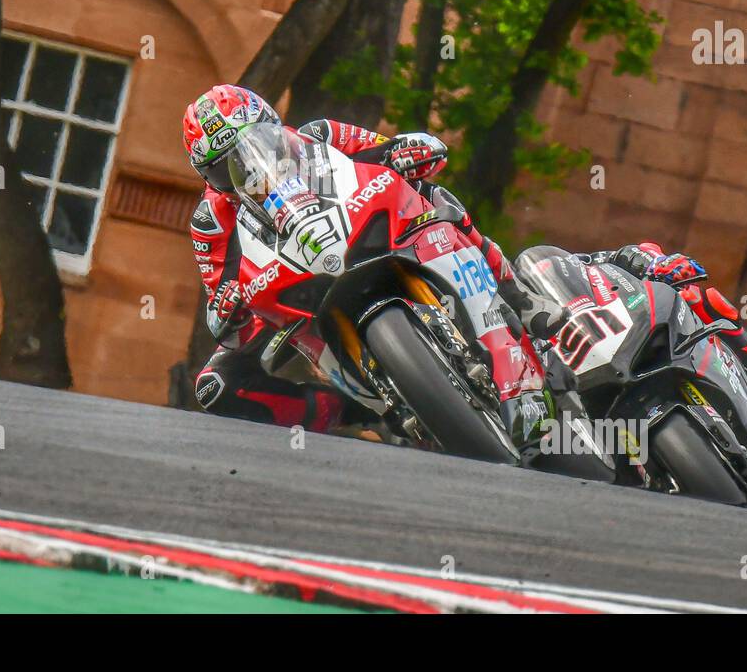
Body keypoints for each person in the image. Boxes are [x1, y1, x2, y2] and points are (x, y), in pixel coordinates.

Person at [182, 83, 537, 434]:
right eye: (223, 166)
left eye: (254, 143)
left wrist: (402, 152)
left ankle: (516, 293)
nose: (246, 167)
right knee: (215, 385)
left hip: (361, 230)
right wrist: (229, 304)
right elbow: (221, 301)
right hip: (287, 284)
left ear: (273, 126)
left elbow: (381, 150)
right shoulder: (210, 220)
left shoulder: (318, 135)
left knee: (426, 191)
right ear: (208, 177)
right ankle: (346, 409)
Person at [512, 243, 747, 450]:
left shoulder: (575, 266)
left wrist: (658, 263)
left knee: (703, 300)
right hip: (579, 381)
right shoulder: (517, 316)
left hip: (629, 334)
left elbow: (634, 254)